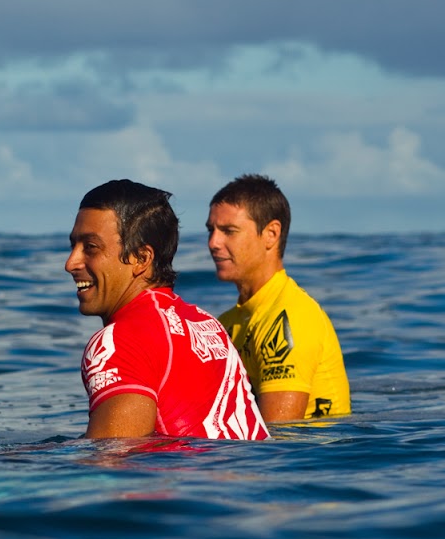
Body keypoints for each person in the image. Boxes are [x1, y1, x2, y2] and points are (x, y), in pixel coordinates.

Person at [66, 179, 267, 441]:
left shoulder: (119, 341)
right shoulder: (207, 324)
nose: (71, 263)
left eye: (90, 247)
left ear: (141, 258)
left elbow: (112, 467)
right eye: (73, 246)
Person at [207, 174, 350, 422]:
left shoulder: (291, 317)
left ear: (271, 234)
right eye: (211, 230)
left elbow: (279, 439)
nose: (213, 243)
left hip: (313, 456)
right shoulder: (227, 322)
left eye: (229, 231)